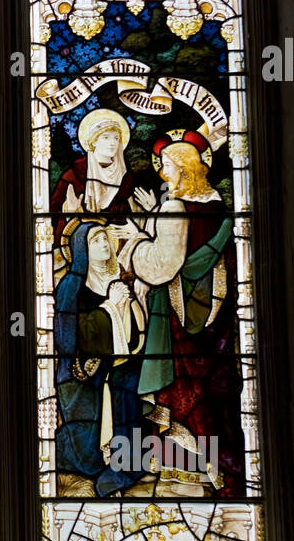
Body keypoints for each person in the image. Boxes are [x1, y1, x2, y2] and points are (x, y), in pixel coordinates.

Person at [112, 131, 244, 496]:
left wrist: (135, 238)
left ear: (184, 169)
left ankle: (184, 478)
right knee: (212, 392)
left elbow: (161, 267)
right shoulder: (217, 206)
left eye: (168, 164)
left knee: (181, 392)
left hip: (177, 318)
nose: (162, 169)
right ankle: (212, 470)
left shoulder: (176, 208)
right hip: (214, 317)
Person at [54, 222, 145, 495]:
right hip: (80, 374)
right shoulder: (72, 284)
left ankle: (127, 465)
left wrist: (128, 305)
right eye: (96, 241)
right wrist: (110, 307)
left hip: (119, 365)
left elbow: (138, 327)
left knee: (128, 390)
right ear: (82, 250)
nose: (104, 245)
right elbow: (68, 336)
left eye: (106, 239)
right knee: (86, 447)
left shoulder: (121, 276)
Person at [51, 108, 138, 243]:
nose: (112, 143)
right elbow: (53, 219)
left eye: (116, 138)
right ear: (93, 141)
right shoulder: (73, 176)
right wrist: (72, 215)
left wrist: (138, 228)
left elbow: (138, 219)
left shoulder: (128, 179)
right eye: (106, 137)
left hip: (124, 249)